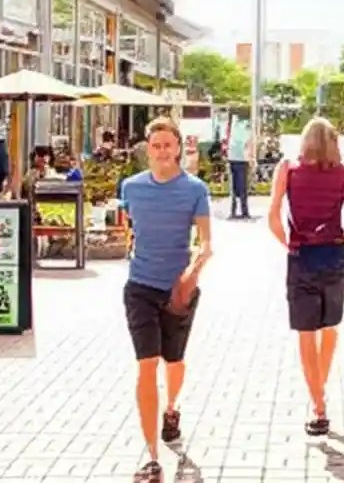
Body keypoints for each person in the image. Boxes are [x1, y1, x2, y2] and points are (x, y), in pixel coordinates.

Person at [121, 117, 213, 483]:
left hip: (179, 289)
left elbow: (206, 243)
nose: (161, 151)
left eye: (167, 144)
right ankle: (152, 456)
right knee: (146, 365)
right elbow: (130, 229)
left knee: (173, 363)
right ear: (148, 148)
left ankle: (171, 409)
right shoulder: (131, 187)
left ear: (178, 147)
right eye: (155, 145)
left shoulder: (195, 189)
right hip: (139, 287)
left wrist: (193, 271)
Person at [267, 117, 344, 436]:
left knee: (306, 332)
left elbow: (274, 216)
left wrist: (289, 243)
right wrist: (340, 241)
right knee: (330, 326)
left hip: (302, 257)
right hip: (335, 256)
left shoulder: (288, 169)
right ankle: (319, 388)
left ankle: (318, 404)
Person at [227, 117, 252, 219]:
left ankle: (233, 212)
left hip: (232, 158)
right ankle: (244, 212)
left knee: (233, 187)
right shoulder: (247, 128)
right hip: (242, 160)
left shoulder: (233, 127)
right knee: (243, 187)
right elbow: (248, 145)